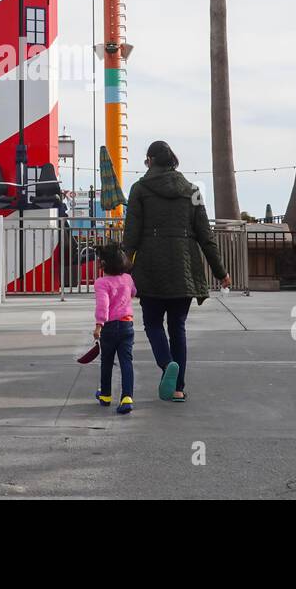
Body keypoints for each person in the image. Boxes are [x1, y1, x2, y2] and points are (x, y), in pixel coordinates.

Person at [122, 140, 230, 402]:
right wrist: (220, 271)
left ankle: (166, 362)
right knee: (178, 326)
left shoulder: (140, 189)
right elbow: (206, 236)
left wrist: (124, 266)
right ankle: (178, 387)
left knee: (152, 323)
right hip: (184, 265)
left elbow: (132, 234)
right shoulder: (191, 190)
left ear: (150, 161)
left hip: (151, 266)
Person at [92, 243, 137, 415]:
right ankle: (127, 397)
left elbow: (103, 305)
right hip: (127, 325)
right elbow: (133, 292)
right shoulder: (127, 278)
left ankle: (105, 395)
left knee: (107, 361)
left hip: (109, 327)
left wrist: (98, 325)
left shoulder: (101, 283)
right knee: (126, 361)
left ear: (103, 265)